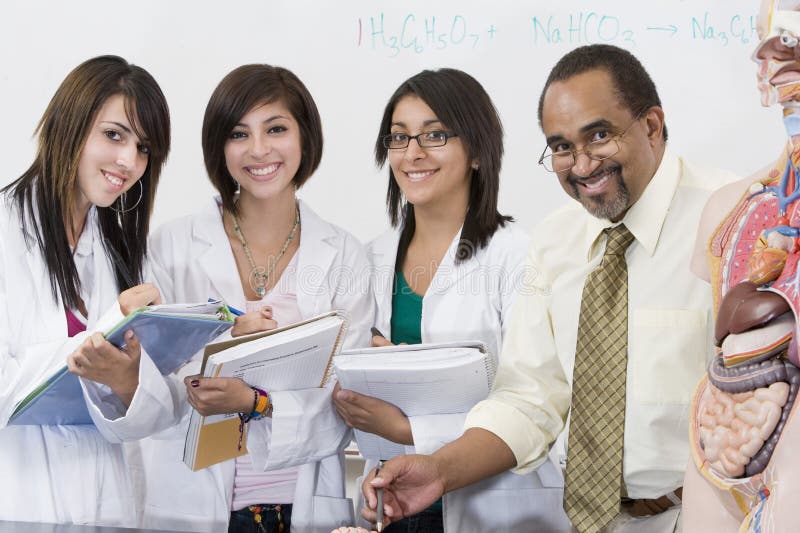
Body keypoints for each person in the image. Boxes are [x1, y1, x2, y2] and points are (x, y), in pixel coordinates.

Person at [360, 45, 739, 533]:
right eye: (561, 146)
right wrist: (439, 470)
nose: (581, 165)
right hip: (586, 522)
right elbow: (530, 399)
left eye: (599, 135)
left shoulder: (732, 221)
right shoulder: (558, 242)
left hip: (705, 517)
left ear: (651, 125)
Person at [108, 64, 375, 533]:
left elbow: (347, 399)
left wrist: (256, 402)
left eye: (276, 128)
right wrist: (229, 342)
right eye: (238, 133)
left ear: (305, 137)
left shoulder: (345, 254)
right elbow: (152, 380)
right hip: (187, 503)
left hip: (305, 505)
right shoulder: (171, 246)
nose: (258, 150)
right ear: (219, 146)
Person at [332, 68, 569, 533]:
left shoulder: (519, 256)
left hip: (500, 509)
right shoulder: (368, 257)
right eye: (399, 138)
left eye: (435, 134)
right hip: (394, 506)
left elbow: (536, 404)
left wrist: (408, 429)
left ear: (477, 151)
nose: (413, 153)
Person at [0, 55, 170, 525]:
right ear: (70, 124)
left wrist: (128, 382)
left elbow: (162, 409)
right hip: (18, 504)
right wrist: (106, 328)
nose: (128, 161)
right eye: (114, 135)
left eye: (143, 148)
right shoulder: (5, 232)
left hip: (107, 507)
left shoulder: (125, 253)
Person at [682, 0, 800, 530]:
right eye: (767, 37)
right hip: (724, 448)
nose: (772, 53)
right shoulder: (728, 212)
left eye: (791, 34)